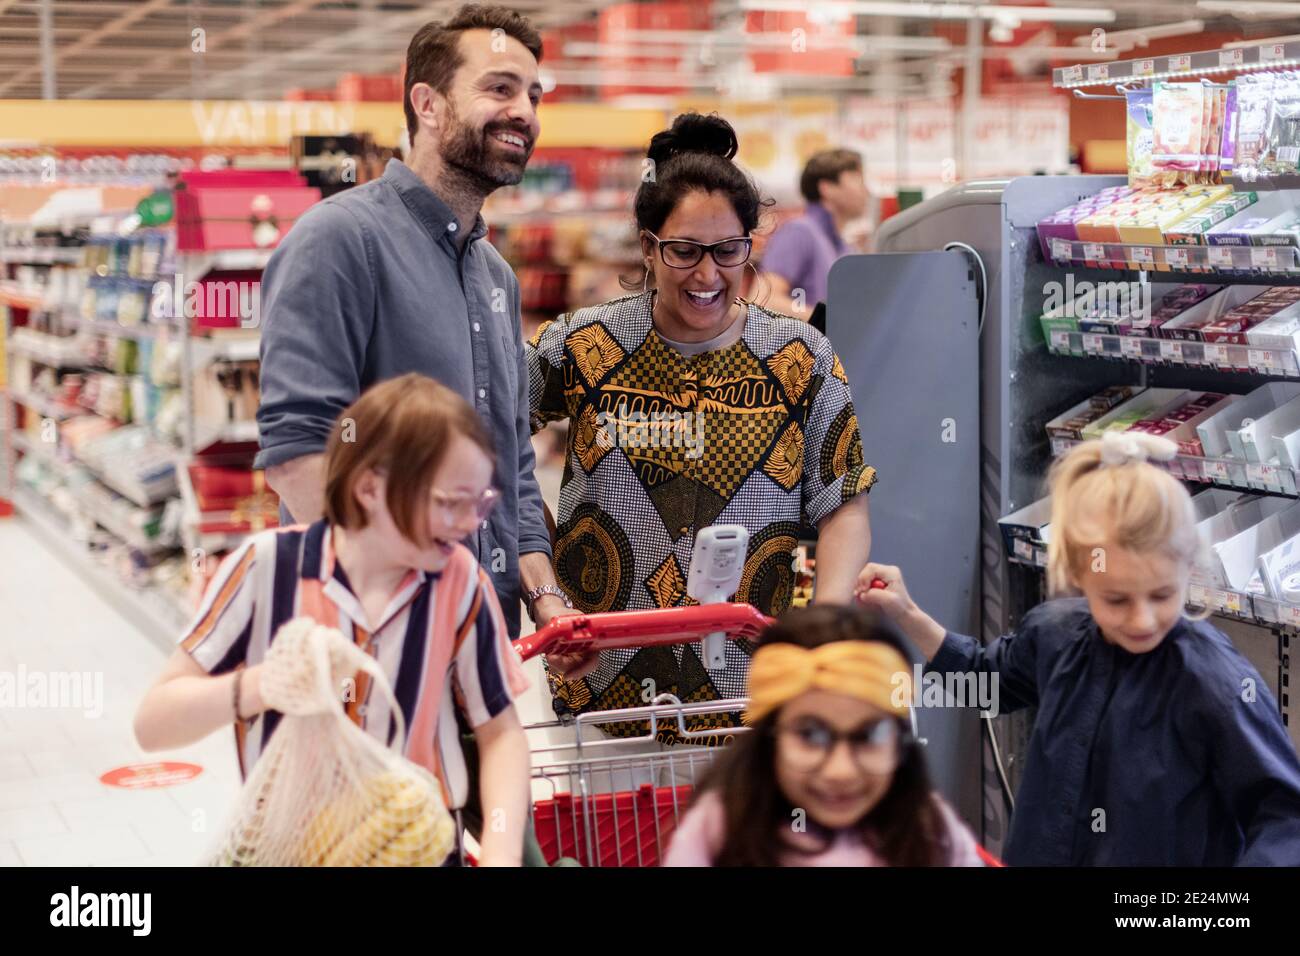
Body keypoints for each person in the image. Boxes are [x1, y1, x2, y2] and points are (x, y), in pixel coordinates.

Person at [527, 113, 876, 742]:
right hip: (603, 689)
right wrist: (544, 589)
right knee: (612, 841)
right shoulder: (581, 346)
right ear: (647, 245)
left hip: (755, 691)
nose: (708, 275)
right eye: (684, 251)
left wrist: (823, 633)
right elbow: (488, 452)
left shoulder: (801, 358)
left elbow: (843, 502)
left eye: (728, 251)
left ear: (750, 245)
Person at [254, 5, 567, 638]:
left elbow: (514, 468)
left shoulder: (496, 277)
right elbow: (298, 454)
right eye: (499, 88)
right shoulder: (338, 240)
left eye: (533, 95)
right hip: (365, 643)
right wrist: (395, 609)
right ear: (427, 103)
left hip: (484, 637)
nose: (525, 113)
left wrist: (544, 599)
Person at [135, 375, 531, 866]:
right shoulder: (265, 569)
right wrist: (258, 686)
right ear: (369, 487)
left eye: (480, 503)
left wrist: (500, 850)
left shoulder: (459, 581)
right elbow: (153, 724)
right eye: (450, 502)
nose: (470, 523)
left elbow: (501, 734)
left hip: (419, 849)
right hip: (291, 850)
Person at [857, 431, 1300, 866]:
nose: (1142, 618)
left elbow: (1283, 814)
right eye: (1117, 599)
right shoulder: (1053, 634)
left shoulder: (1213, 681)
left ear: (1189, 570)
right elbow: (984, 684)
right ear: (1078, 575)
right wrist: (907, 613)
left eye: (1162, 595)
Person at [662, 604, 983, 866]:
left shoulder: (927, 827)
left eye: (868, 736)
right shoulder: (720, 827)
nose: (840, 771)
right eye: (810, 736)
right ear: (768, 741)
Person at [757, 148, 869, 321]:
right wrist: (831, 322)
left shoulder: (845, 246)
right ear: (827, 188)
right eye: (857, 179)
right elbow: (766, 300)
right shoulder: (800, 232)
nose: (866, 191)